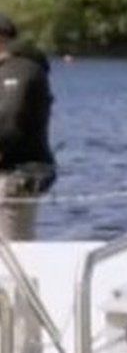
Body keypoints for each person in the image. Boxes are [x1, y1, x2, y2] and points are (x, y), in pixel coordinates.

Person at [0, 13, 56, 241]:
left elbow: (10, 120)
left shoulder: (20, 70)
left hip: (17, 174)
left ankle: (21, 277)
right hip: (15, 171)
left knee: (13, 249)